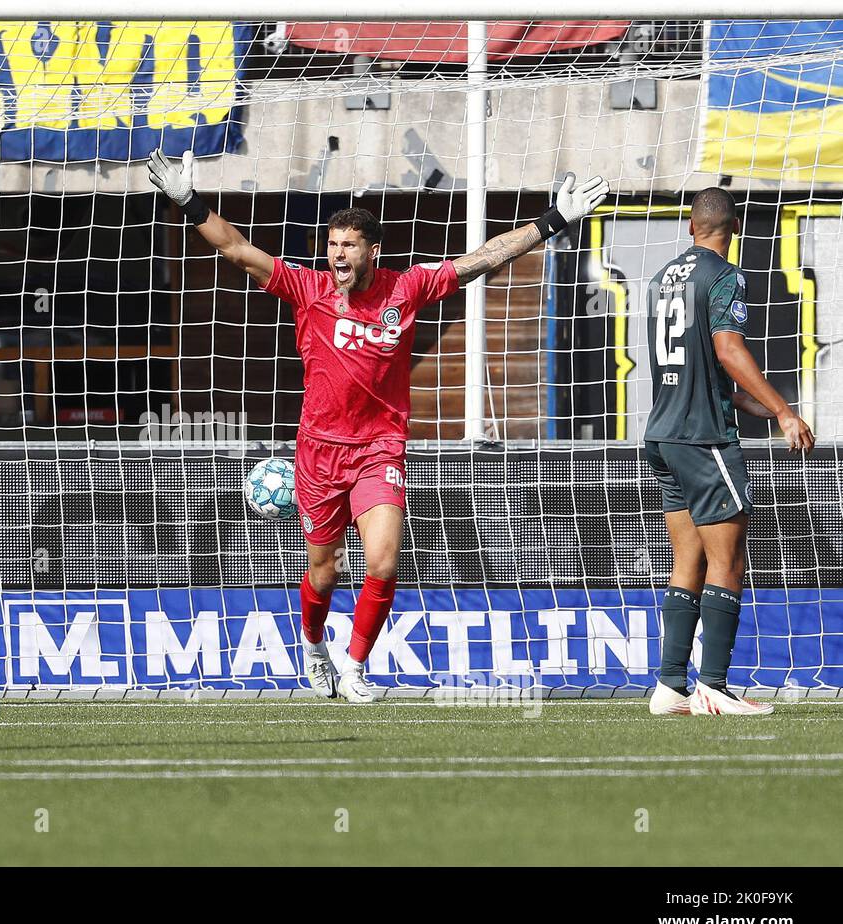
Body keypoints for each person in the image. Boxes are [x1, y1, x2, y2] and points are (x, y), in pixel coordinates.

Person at [148, 150, 608, 702]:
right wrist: (186, 199)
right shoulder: (308, 290)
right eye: (332, 245)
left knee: (384, 562)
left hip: (378, 449)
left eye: (348, 246)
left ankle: (356, 665)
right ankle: (314, 645)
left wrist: (553, 221)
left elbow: (480, 260)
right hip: (318, 453)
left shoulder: (405, 289)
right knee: (323, 572)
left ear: (372, 251)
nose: (337, 255)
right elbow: (237, 249)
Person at [643, 187, 814, 717]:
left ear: (692, 227)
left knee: (687, 559)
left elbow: (697, 362)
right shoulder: (725, 274)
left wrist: (743, 399)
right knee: (729, 558)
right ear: (730, 229)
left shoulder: (661, 278)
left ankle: (671, 685)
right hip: (704, 436)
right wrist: (782, 409)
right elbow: (726, 347)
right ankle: (714, 685)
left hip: (664, 432)